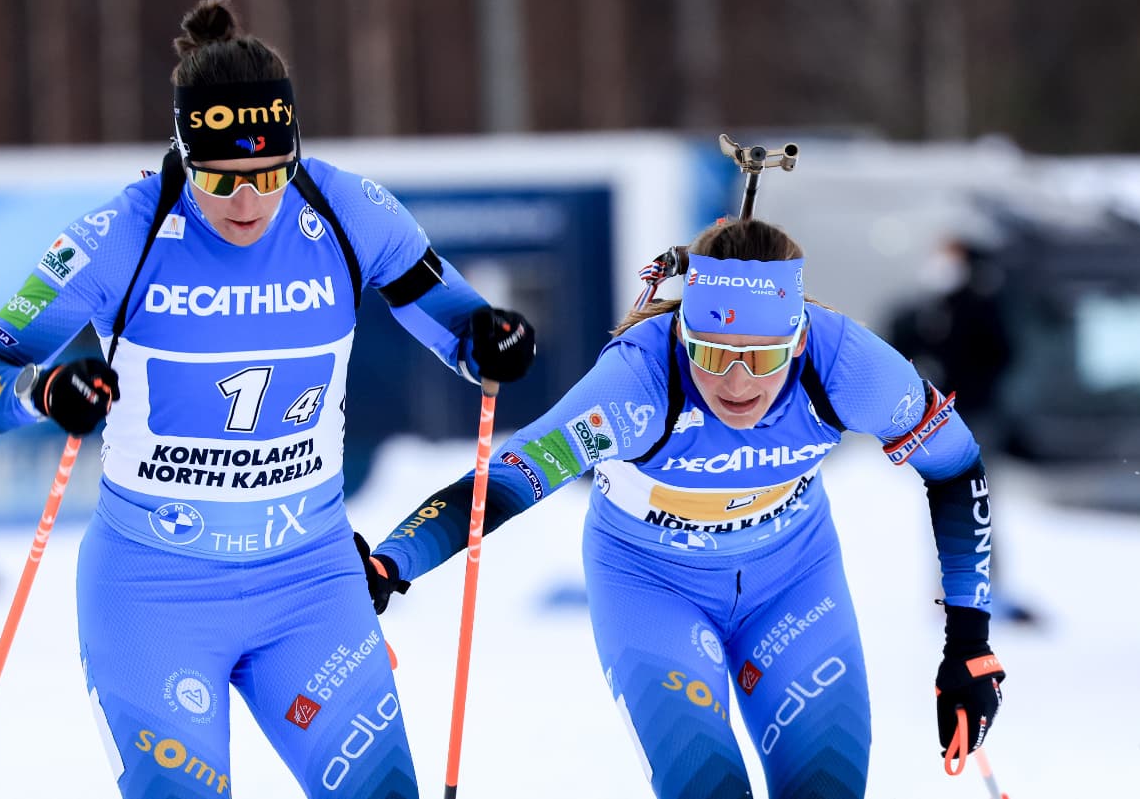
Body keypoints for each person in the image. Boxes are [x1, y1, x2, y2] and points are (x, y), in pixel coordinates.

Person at [0, 0, 535, 797]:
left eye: (271, 173)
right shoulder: (122, 231)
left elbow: (465, 332)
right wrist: (42, 390)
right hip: (154, 592)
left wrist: (495, 338)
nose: (250, 201)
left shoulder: (351, 210)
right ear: (186, 153)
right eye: (222, 179)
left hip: (312, 582)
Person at [362, 218, 1005, 799]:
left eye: (764, 357)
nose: (737, 383)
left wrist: (969, 644)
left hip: (792, 582)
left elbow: (953, 466)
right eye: (713, 353)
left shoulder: (848, 365)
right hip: (651, 588)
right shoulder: (637, 386)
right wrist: (392, 562)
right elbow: (504, 483)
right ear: (683, 334)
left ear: (800, 339)